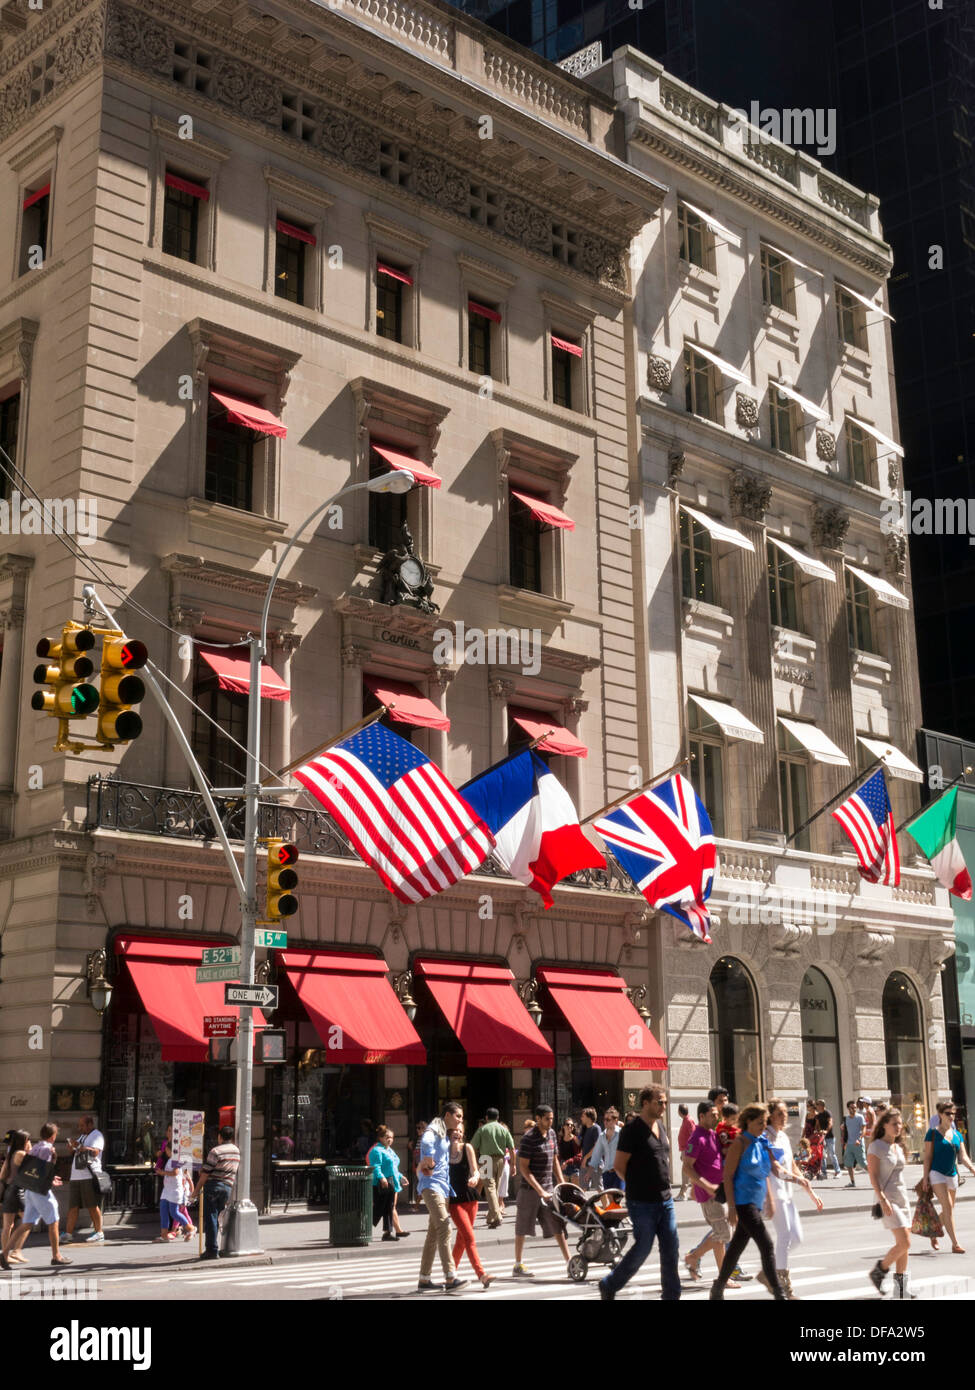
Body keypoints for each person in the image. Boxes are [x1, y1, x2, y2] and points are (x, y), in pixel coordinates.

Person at [598, 1085, 679, 1301]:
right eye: (659, 1102)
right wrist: (635, 1186)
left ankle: (672, 1295)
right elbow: (619, 1165)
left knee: (671, 1249)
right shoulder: (632, 1130)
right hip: (642, 1202)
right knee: (643, 1248)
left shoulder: (660, 1127)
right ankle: (609, 1284)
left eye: (664, 1102)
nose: (663, 1106)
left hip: (665, 1200)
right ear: (645, 1103)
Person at [709, 1104, 795, 1301]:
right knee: (767, 1244)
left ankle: (718, 1288)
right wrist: (731, 1208)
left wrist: (771, 1199)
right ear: (748, 1121)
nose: (763, 1126)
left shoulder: (762, 1142)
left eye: (765, 1123)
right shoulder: (740, 1143)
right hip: (742, 1202)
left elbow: (770, 1169)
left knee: (737, 1247)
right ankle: (778, 1292)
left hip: (755, 1202)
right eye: (759, 1123)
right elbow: (728, 1176)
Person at [765, 1098, 822, 1298]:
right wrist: (797, 1180)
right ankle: (784, 1287)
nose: (784, 1116)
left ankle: (769, 1271)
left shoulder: (783, 1137)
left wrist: (807, 1187)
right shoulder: (765, 1137)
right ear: (770, 1116)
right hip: (774, 1192)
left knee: (796, 1239)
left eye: (785, 1112)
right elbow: (776, 1169)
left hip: (788, 1193)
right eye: (780, 1113)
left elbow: (791, 1166)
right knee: (785, 1236)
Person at [682, 1102, 738, 1286]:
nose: (717, 1117)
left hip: (720, 1191)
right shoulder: (696, 1138)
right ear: (702, 1116)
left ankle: (723, 1277)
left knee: (721, 1236)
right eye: (713, 1114)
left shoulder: (713, 1134)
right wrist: (705, 1186)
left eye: (717, 1114)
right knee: (724, 1234)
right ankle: (693, 1256)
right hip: (709, 1194)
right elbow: (687, 1167)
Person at [513, 1104, 571, 1278]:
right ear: (537, 1119)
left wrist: (562, 1185)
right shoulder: (528, 1138)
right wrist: (539, 1191)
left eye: (552, 1118)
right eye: (547, 1118)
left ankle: (569, 1262)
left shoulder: (552, 1134)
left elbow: (554, 1162)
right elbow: (524, 1168)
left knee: (557, 1225)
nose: (550, 1121)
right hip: (529, 1190)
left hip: (548, 1188)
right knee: (522, 1227)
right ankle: (517, 1264)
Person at [3, 1123, 70, 1268]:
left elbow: (31, 1169)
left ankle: (4, 1254)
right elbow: (40, 1170)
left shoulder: (37, 1147)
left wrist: (50, 1178)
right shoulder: (46, 1149)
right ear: (53, 1136)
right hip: (39, 1190)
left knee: (26, 1223)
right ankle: (56, 1256)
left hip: (29, 1190)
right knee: (54, 1222)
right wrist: (53, 1158)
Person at [416, 1103, 467, 1293]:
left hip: (442, 1187)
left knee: (433, 1234)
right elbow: (427, 1141)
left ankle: (424, 1279)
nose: (461, 1120)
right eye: (458, 1116)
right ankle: (450, 1277)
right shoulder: (435, 1127)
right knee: (445, 1228)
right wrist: (428, 1159)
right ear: (448, 1115)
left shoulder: (444, 1130)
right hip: (432, 1186)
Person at [867, 1108, 915, 1299]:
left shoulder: (898, 1147)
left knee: (903, 1245)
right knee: (905, 1242)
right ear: (884, 1125)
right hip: (888, 1199)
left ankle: (901, 1290)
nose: (898, 1127)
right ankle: (879, 1271)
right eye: (894, 1123)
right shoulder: (876, 1147)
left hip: (903, 1198)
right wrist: (882, 1198)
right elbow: (873, 1176)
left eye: (899, 1123)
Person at [923, 1100, 975, 1254]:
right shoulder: (932, 1133)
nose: (951, 1116)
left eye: (953, 1113)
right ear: (940, 1114)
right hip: (936, 1173)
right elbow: (927, 1157)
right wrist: (925, 1178)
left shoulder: (958, 1135)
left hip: (952, 1174)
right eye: (948, 1113)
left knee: (949, 1209)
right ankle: (955, 1244)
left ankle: (933, 1231)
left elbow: (964, 1156)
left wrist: (972, 1168)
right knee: (947, 1207)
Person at [448, 1121, 493, 1287]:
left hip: (471, 1198)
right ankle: (481, 1275)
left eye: (460, 1131)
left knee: (461, 1240)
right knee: (468, 1236)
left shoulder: (467, 1148)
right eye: (454, 1130)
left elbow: (475, 1170)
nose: (457, 1133)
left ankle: (450, 1274)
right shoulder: (443, 1151)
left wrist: (475, 1177)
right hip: (454, 1201)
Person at [198, 1124, 240, 1260]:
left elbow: (205, 1174)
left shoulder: (215, 1151)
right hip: (227, 1187)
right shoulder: (236, 1151)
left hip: (213, 1187)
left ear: (220, 1137)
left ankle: (211, 1250)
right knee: (218, 1218)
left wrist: (195, 1192)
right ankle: (214, 1247)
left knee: (211, 1219)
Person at [470, 1108, 516, 1229]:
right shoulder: (503, 1129)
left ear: (486, 1117)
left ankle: (496, 1215)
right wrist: (513, 1165)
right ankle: (491, 1217)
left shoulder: (482, 1129)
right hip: (501, 1159)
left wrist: (474, 1161)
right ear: (498, 1117)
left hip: (486, 1158)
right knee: (494, 1187)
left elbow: (472, 1147)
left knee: (489, 1187)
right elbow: (512, 1148)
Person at [65, 1115, 105, 1244]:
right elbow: (73, 1152)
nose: (79, 1128)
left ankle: (99, 1232)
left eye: (82, 1125)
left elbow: (95, 1152)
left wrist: (80, 1147)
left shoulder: (97, 1135)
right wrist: (72, 1147)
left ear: (90, 1124)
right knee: (73, 1206)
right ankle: (68, 1234)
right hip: (76, 1176)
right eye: (79, 1125)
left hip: (89, 1175)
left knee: (92, 1205)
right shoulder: (82, 1136)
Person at [0, 1130, 29, 1264]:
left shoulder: (11, 1154)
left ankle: (5, 1255)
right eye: (28, 1140)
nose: (30, 1142)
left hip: (8, 1190)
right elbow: (34, 1169)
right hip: (18, 1191)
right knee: (29, 1220)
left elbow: (2, 1175)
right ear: (23, 1141)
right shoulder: (21, 1153)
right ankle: (16, 1250)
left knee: (8, 1226)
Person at [367, 1125, 400, 1241]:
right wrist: (381, 1178)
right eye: (387, 1137)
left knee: (389, 1207)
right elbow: (375, 1166)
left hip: (391, 1181)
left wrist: (401, 1176)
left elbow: (394, 1167)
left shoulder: (390, 1150)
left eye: (391, 1137)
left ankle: (387, 1232)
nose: (390, 1139)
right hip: (381, 1183)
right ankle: (363, 1225)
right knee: (379, 1208)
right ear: (380, 1138)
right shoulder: (377, 1150)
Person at [157, 1148, 195, 1242]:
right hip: (167, 1190)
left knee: (174, 1212)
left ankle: (191, 1229)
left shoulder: (177, 1159)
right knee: (163, 1210)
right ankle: (164, 1235)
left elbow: (175, 1172)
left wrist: (163, 1173)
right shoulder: (169, 1160)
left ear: (170, 1150)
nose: (166, 1152)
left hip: (175, 1190)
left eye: (167, 1150)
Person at [587, 1108, 623, 1190]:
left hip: (619, 1173)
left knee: (617, 1196)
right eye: (604, 1119)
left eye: (608, 1119)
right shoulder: (602, 1135)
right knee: (611, 1199)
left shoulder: (622, 1133)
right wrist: (589, 1171)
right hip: (606, 1172)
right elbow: (596, 1154)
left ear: (615, 1120)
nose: (605, 1122)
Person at [842, 1099, 867, 1186]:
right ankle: (852, 1182)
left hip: (858, 1143)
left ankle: (877, 1179)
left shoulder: (860, 1117)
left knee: (863, 1163)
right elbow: (845, 1132)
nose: (854, 1109)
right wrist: (844, 1143)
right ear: (848, 1108)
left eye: (855, 1107)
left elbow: (864, 1129)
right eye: (852, 1107)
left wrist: (859, 1139)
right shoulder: (846, 1119)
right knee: (849, 1164)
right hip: (849, 1144)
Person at [814, 1100, 840, 1180]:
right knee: (822, 1155)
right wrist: (817, 1130)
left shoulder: (827, 1113)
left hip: (830, 1137)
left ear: (822, 1105)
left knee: (832, 1154)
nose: (817, 1106)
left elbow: (830, 1123)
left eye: (818, 1105)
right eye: (816, 1105)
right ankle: (824, 1173)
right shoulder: (818, 1115)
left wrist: (826, 1131)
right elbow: (817, 1125)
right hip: (822, 1137)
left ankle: (837, 1171)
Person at [578, 1108, 602, 1191]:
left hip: (595, 1163)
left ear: (589, 1117)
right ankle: (582, 1204)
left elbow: (597, 1146)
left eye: (583, 1116)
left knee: (599, 1188)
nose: (581, 1118)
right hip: (585, 1164)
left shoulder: (596, 1128)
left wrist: (586, 1157)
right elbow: (579, 1143)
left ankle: (606, 1204)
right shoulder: (584, 1129)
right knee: (582, 1188)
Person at [675, 1104, 694, 1200]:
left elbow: (693, 1137)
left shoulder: (689, 1120)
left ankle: (683, 1194)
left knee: (685, 1171)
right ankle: (691, 1193)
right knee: (688, 1171)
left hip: (687, 1150)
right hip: (685, 1150)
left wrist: (688, 1152)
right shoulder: (686, 1120)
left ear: (680, 1111)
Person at [557, 1119, 582, 1183]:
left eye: (572, 1125)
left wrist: (567, 1162)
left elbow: (579, 1156)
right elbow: (558, 1155)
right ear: (563, 1126)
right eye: (568, 1124)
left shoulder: (575, 1139)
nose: (570, 1126)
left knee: (576, 1191)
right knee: (563, 1191)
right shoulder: (560, 1140)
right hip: (563, 1168)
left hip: (574, 1168)